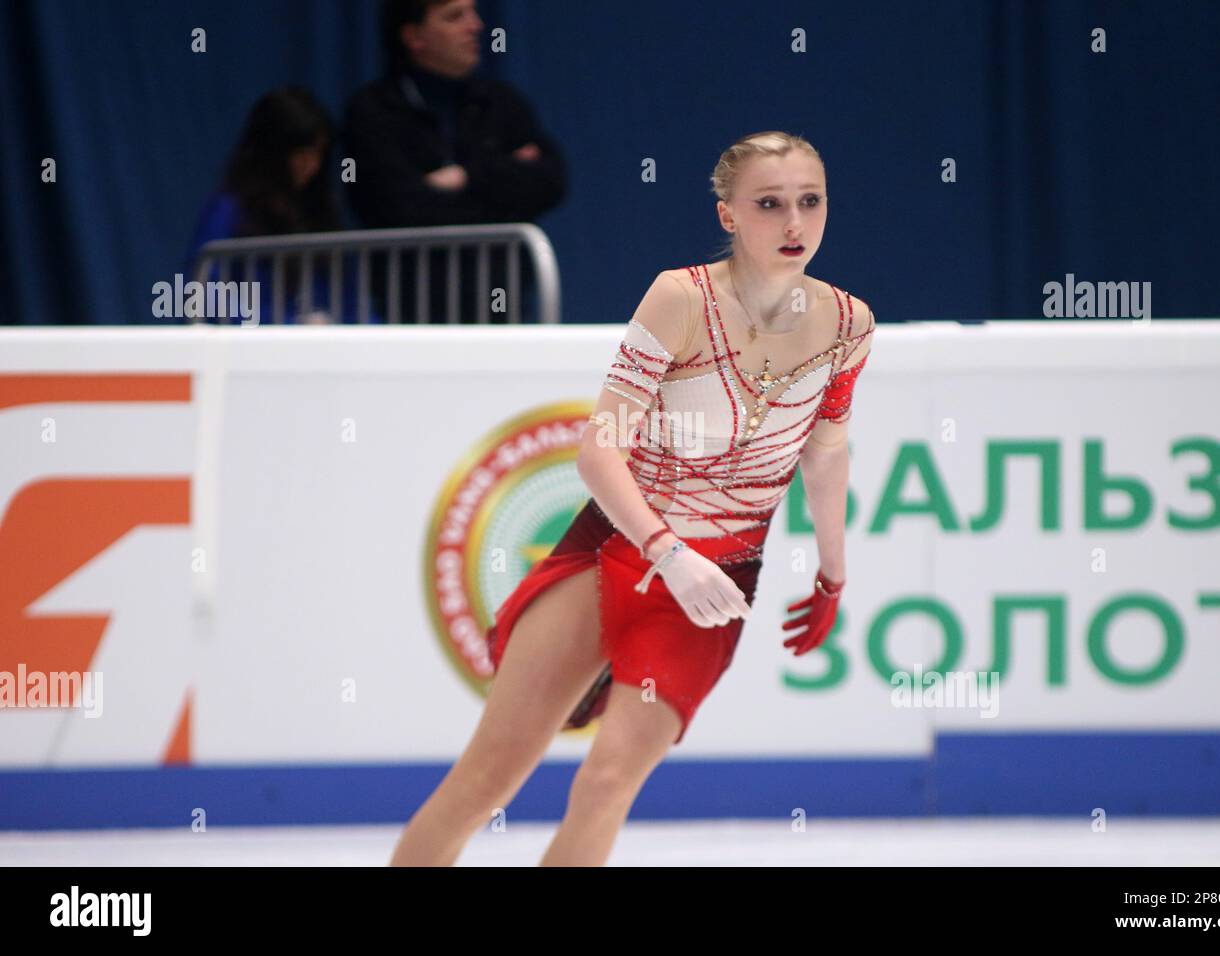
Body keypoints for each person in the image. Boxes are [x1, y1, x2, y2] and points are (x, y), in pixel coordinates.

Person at [391, 131, 876, 866]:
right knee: (488, 778)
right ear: (728, 215)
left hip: (717, 580)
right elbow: (599, 451)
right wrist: (668, 552)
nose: (794, 223)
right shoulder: (679, 298)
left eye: (811, 201)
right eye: (769, 204)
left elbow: (826, 452)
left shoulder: (848, 324)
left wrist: (833, 574)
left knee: (607, 783)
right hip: (615, 546)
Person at [343, 0, 567, 323]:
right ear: (414, 36)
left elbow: (550, 180)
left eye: (473, 12)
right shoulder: (374, 110)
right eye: (454, 16)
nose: (475, 26)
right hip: (408, 310)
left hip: (500, 306)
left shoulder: (500, 102)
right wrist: (502, 190)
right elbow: (396, 207)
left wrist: (467, 176)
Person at [184, 86, 375, 323]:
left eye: (318, 153)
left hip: (321, 340)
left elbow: (351, 303)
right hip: (255, 342)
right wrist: (282, 327)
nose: (312, 165)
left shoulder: (321, 212)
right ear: (272, 152)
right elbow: (204, 291)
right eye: (301, 153)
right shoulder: (229, 210)